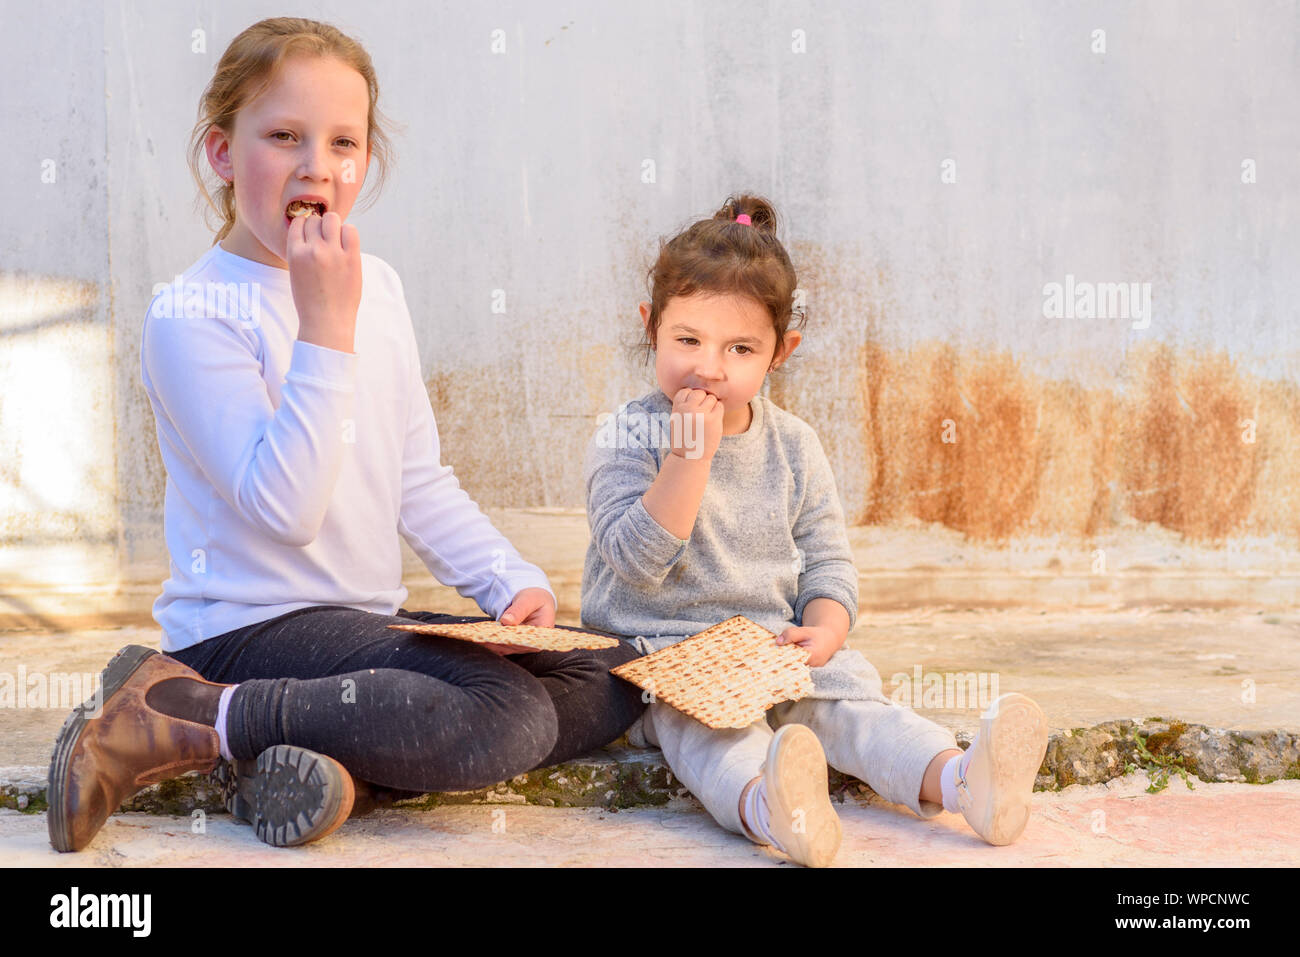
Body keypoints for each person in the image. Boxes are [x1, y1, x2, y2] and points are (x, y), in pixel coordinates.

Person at [47, 17, 643, 854]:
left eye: (342, 142)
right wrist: (326, 322)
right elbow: (284, 508)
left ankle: (322, 772)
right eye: (283, 135)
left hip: (360, 624)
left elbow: (416, 477)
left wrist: (505, 581)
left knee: (613, 669)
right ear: (222, 153)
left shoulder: (383, 287)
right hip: (245, 630)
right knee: (505, 714)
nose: (316, 166)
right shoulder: (191, 313)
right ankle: (186, 711)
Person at [580, 194, 1049, 867]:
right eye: (688, 340)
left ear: (780, 351)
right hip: (661, 659)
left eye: (739, 347)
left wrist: (825, 629)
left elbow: (828, 562)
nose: (709, 366)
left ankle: (963, 779)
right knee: (709, 734)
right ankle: (771, 808)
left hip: (770, 651)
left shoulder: (795, 446)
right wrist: (690, 456)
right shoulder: (626, 434)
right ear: (650, 327)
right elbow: (632, 562)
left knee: (855, 702)